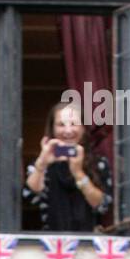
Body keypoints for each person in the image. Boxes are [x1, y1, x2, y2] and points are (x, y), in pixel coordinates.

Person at [24, 99, 112, 233]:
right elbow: (29, 197)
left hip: (88, 244)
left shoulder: (98, 163)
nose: (68, 130)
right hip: (52, 245)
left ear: (83, 128)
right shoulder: (41, 163)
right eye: (61, 125)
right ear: (52, 129)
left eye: (73, 124)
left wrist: (78, 172)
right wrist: (42, 163)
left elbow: (102, 205)